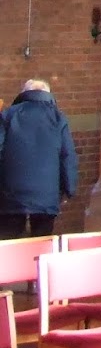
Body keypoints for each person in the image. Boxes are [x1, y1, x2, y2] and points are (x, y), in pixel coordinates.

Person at [0, 79, 78, 237]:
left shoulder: (7, 115)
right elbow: (67, 156)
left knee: (8, 241)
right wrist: (69, 189)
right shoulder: (58, 118)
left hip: (10, 194)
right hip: (47, 194)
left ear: (24, 93)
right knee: (42, 240)